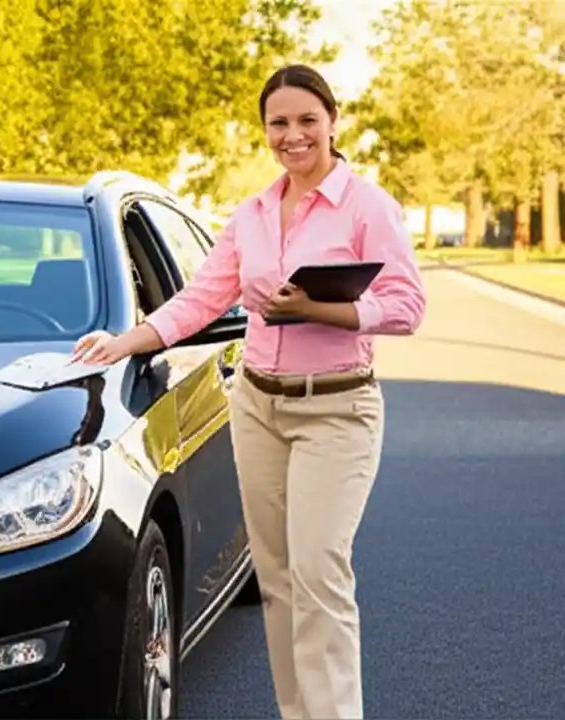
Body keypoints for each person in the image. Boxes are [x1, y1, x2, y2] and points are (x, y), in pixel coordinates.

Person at [71, 64, 426, 719]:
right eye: (279, 123)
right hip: (258, 406)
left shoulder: (367, 206)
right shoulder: (255, 213)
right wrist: (129, 340)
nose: (293, 136)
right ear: (266, 129)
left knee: (321, 575)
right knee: (281, 582)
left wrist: (319, 310)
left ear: (332, 122)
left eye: (306, 121)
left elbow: (406, 306)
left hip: (337, 409)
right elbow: (204, 297)